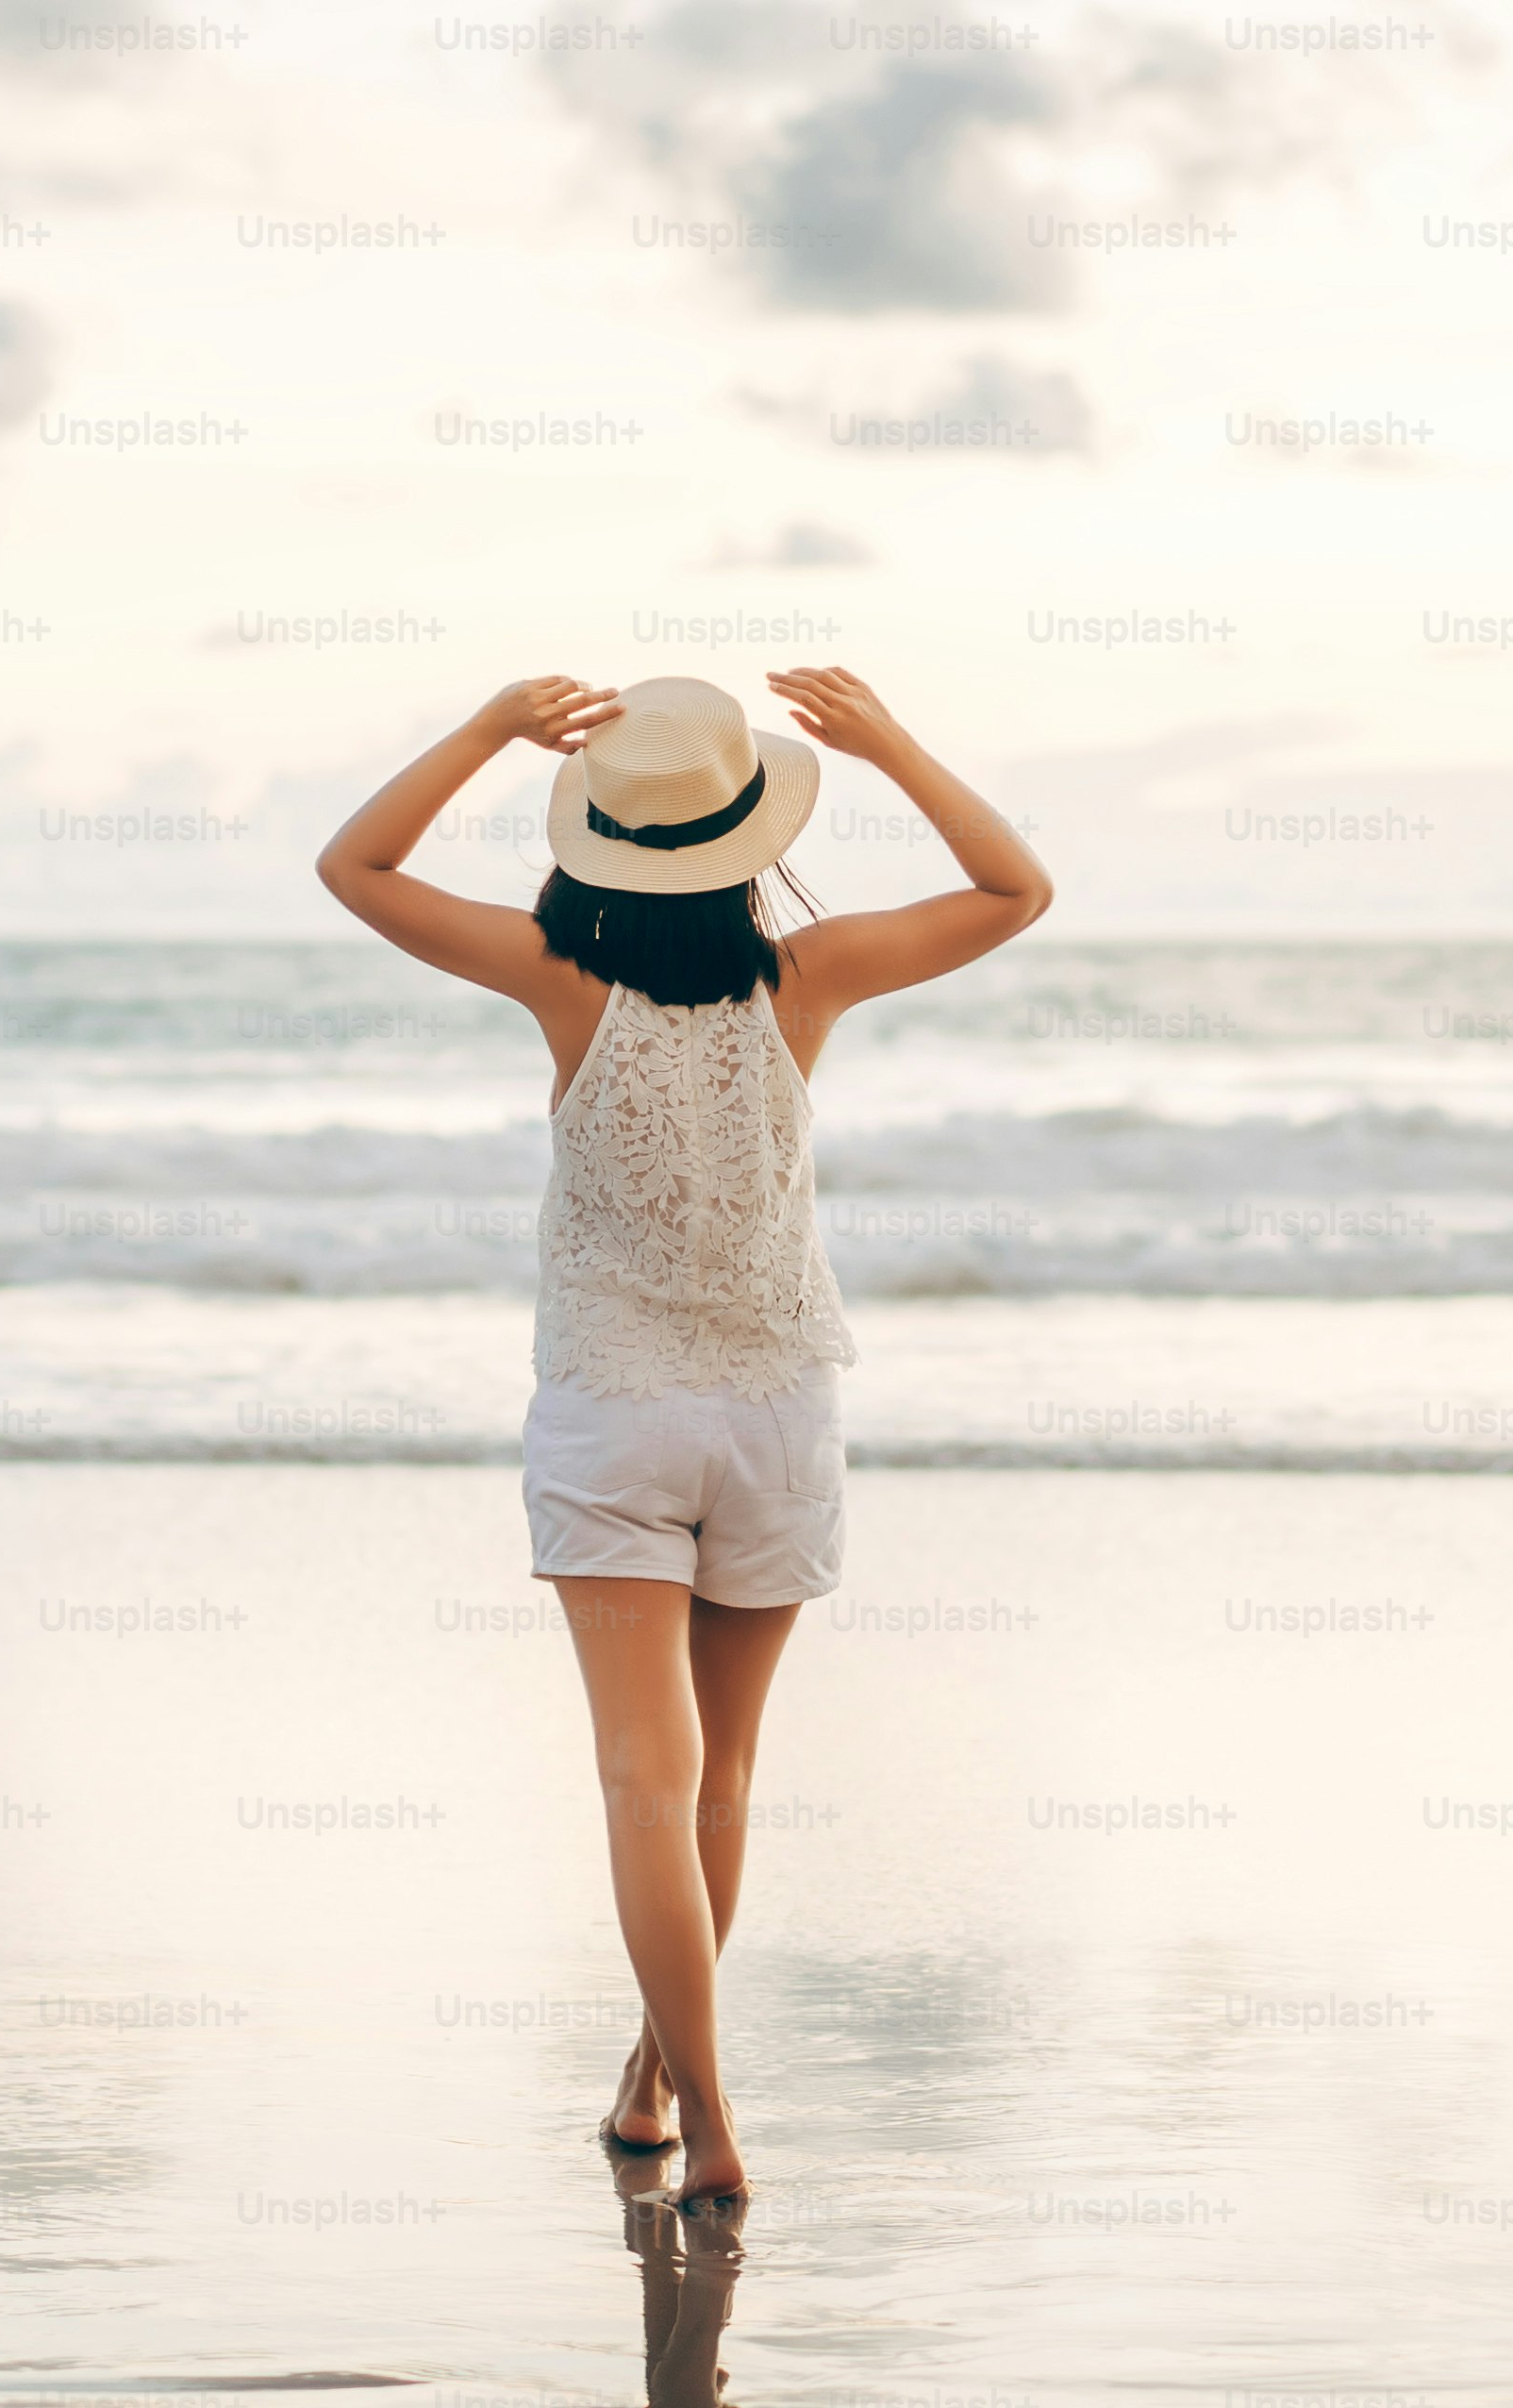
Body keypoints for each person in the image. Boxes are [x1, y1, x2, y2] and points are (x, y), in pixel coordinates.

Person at [312, 669, 1054, 2209]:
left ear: (598, 842)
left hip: (612, 1415)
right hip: (776, 1412)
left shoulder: (556, 978)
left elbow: (353, 866)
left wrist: (487, 730)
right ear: (748, 835)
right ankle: (658, 2090)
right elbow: (1015, 890)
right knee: (721, 1783)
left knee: (645, 1784)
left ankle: (695, 2109)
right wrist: (889, 741)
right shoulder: (810, 977)